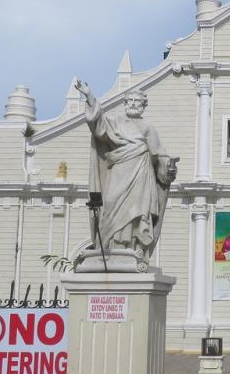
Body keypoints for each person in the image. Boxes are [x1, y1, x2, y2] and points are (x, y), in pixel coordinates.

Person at [75, 80, 177, 262]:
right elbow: (97, 126)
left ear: (144, 105)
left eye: (138, 102)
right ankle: (110, 246)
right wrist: (90, 97)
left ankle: (131, 247)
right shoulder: (116, 121)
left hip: (141, 178)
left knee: (138, 213)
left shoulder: (148, 128)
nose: (133, 104)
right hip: (118, 174)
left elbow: (159, 155)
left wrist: (168, 167)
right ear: (125, 104)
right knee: (111, 208)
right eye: (130, 101)